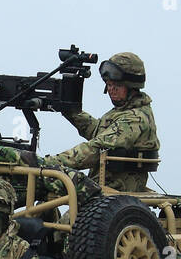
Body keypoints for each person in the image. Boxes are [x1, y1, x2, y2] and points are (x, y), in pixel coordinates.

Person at [47, 52, 159, 192]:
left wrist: (48, 163)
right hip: (104, 188)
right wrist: (71, 111)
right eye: (109, 84)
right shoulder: (123, 111)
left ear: (131, 86)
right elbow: (98, 131)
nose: (111, 89)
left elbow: (96, 148)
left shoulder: (134, 119)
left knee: (70, 213)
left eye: (116, 85)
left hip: (114, 191)